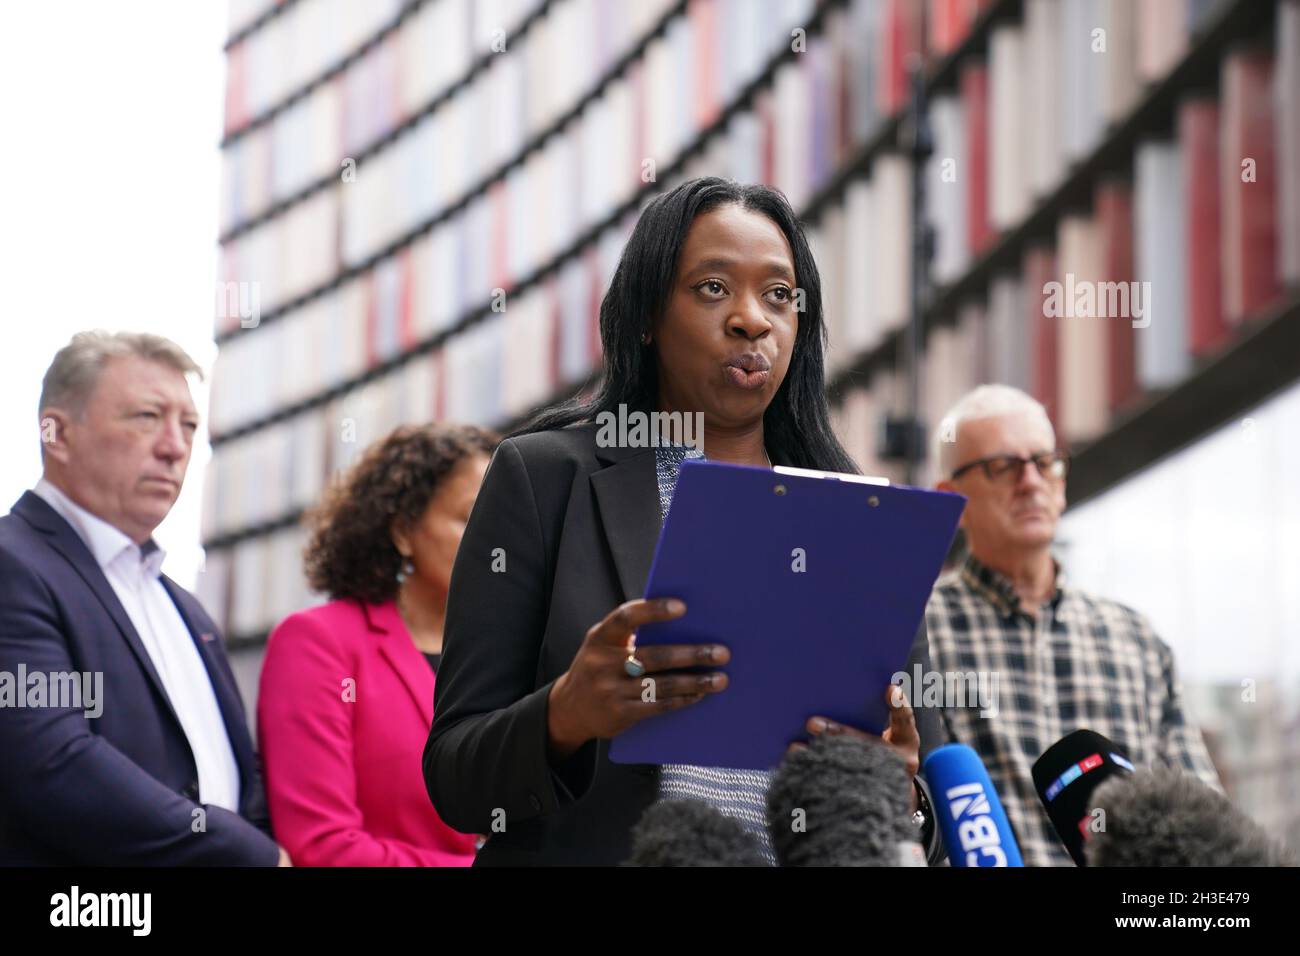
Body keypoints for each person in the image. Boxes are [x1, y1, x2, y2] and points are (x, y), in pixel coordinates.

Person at [424, 177, 944, 866]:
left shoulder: (861, 522)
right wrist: (566, 714)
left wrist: (897, 794)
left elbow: (931, 814)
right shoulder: (545, 479)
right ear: (647, 315)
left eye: (779, 295)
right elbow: (456, 778)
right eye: (712, 287)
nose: (751, 319)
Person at [0, 331, 285, 865]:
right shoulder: (12, 563)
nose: (175, 447)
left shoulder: (185, 608)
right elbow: (53, 766)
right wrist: (253, 856)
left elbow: (244, 777)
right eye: (146, 417)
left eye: (190, 425)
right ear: (57, 433)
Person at [926, 384, 1222, 866]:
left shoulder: (1137, 642)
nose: (1031, 482)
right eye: (1002, 466)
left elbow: (1202, 818)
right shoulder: (916, 633)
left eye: (1045, 462)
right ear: (950, 498)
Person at [258, 424, 497, 866]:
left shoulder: (512, 652)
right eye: (469, 518)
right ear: (404, 531)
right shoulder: (318, 643)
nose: (496, 541)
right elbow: (322, 846)